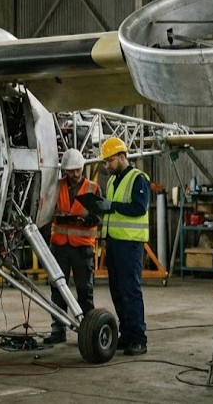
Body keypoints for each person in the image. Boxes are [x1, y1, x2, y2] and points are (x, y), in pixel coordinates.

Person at [97, 137, 150, 356]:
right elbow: (114, 211)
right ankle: (127, 334)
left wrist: (113, 206)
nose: (107, 166)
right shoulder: (111, 182)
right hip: (113, 242)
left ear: (122, 157)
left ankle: (139, 338)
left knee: (130, 291)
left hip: (130, 244)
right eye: (106, 162)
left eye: (110, 161)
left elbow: (139, 208)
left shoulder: (139, 179)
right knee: (117, 292)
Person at [43, 149, 101, 345]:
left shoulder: (93, 188)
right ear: (65, 171)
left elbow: (99, 217)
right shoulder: (57, 187)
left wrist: (85, 220)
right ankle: (58, 330)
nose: (75, 175)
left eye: (77, 171)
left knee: (85, 291)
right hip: (60, 248)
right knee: (58, 291)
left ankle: (88, 331)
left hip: (82, 249)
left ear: (82, 168)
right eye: (70, 171)